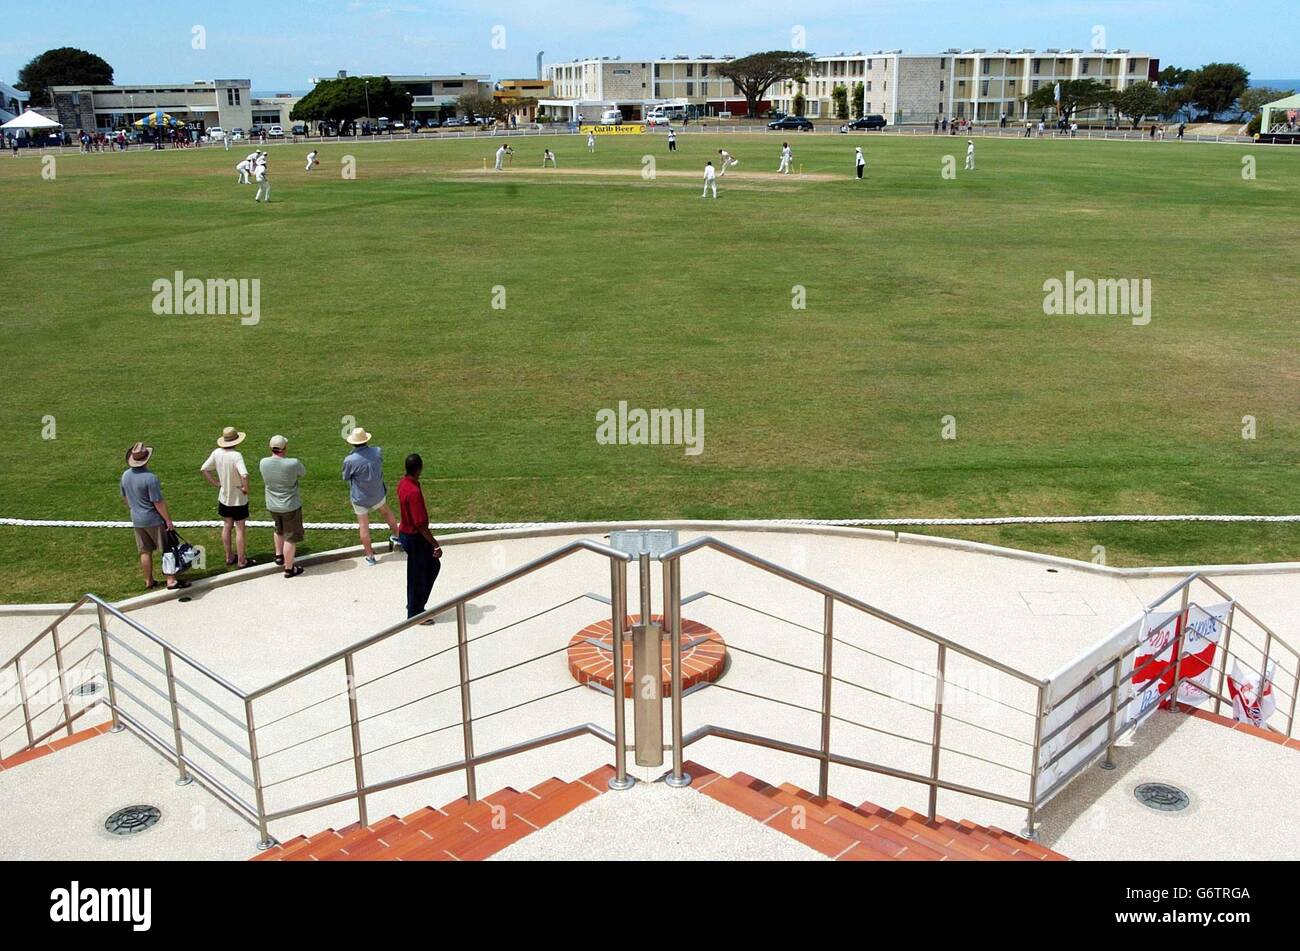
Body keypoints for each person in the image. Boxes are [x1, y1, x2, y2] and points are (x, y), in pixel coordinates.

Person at [121, 442, 188, 591]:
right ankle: (171, 580)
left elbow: (125, 497)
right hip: (153, 519)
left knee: (145, 551)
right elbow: (157, 502)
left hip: (137, 519)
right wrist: (168, 520)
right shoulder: (150, 478)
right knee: (167, 549)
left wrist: (134, 509)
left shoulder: (125, 476)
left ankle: (148, 580)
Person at [342, 427, 401, 565]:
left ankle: (370, 556)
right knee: (387, 512)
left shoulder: (349, 460)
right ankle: (398, 536)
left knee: (363, 526)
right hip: (377, 492)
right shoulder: (377, 451)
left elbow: (346, 476)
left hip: (360, 497)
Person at [201, 427, 256, 569]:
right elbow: (244, 475)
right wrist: (245, 488)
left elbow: (204, 469)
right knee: (240, 528)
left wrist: (216, 483)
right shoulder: (236, 455)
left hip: (224, 497)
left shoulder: (216, 453)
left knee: (227, 526)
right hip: (238, 498)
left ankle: (229, 556)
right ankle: (241, 560)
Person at [397, 453, 442, 621]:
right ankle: (415, 611)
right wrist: (435, 544)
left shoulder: (403, 484)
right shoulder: (414, 491)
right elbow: (420, 524)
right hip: (415, 538)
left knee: (418, 571)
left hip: (406, 535)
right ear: (419, 469)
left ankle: (414, 605)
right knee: (422, 573)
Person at [260, 435, 306, 578]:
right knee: (290, 538)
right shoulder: (292, 463)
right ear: (284, 448)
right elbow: (302, 473)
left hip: (272, 504)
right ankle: (289, 568)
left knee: (278, 529)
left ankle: (279, 555)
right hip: (290, 505)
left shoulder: (263, 462)